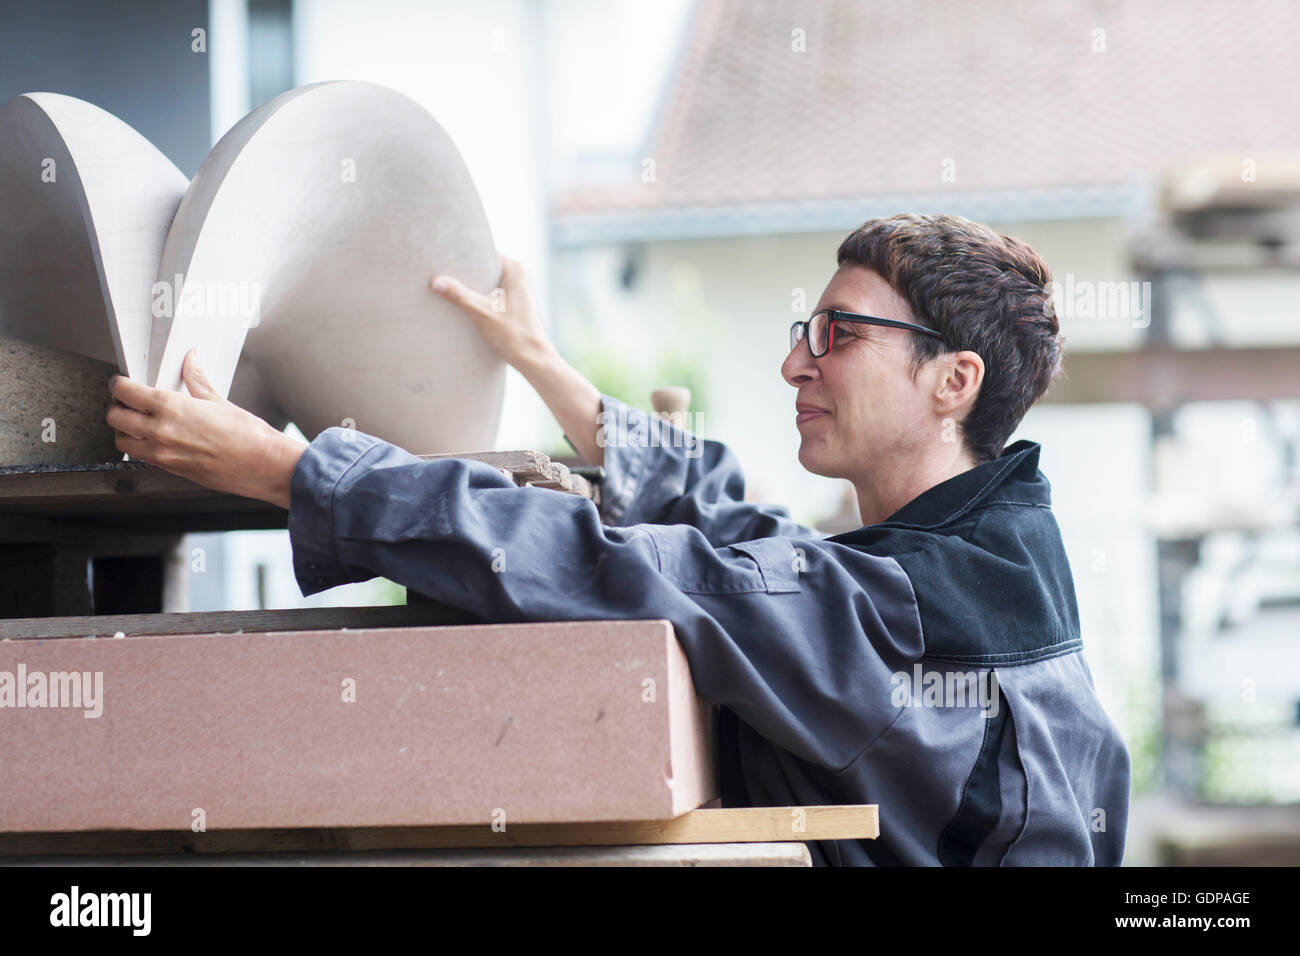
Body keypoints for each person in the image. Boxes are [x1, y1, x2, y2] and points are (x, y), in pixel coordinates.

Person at [106, 213, 1130, 866]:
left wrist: (294, 472)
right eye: (800, 330)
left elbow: (645, 571)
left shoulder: (904, 613)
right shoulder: (988, 561)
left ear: (953, 382)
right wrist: (552, 371)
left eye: (839, 335)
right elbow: (752, 538)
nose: (796, 365)